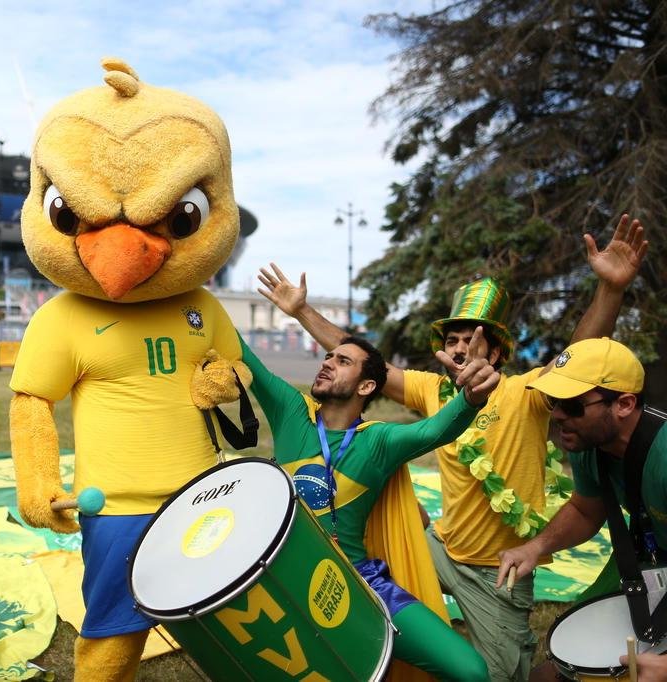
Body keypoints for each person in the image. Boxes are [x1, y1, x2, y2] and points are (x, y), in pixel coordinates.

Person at [257, 214, 648, 681]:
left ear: (497, 354)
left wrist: (610, 290)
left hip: (495, 571)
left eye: (473, 340)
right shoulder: (431, 390)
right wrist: (301, 312)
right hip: (439, 547)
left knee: (500, 676)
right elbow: (363, 360)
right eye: (453, 341)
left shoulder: (527, 392)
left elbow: (581, 356)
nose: (461, 349)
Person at [241, 328, 500, 681]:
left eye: (343, 361)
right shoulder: (291, 413)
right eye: (329, 357)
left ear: (365, 387)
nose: (328, 363)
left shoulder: (376, 441)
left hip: (359, 584)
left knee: (471, 671)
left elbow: (435, 430)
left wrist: (471, 396)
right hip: (285, 583)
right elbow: (240, 353)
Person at [496, 337, 666, 680]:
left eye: (572, 405)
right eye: (553, 401)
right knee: (546, 675)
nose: (557, 415)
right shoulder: (589, 442)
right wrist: (535, 547)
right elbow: (586, 510)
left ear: (624, 404)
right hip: (647, 560)